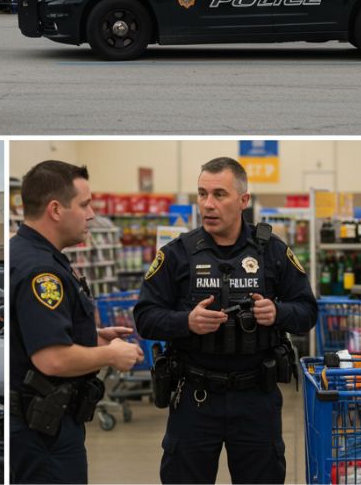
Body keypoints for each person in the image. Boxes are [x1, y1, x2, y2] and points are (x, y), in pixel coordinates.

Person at [134, 157, 317, 484]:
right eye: (202, 194)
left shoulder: (272, 251)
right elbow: (145, 317)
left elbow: (307, 311)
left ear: (243, 201)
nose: (208, 204)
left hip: (256, 398)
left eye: (219, 194)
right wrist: (186, 322)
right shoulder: (177, 254)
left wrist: (278, 313)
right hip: (194, 396)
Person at [10, 161, 144, 484]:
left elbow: (33, 334)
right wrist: (111, 354)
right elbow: (52, 358)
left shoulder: (27, 252)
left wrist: (92, 336)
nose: (92, 214)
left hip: (38, 424)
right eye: (84, 205)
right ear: (55, 209)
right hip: (43, 433)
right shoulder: (42, 273)